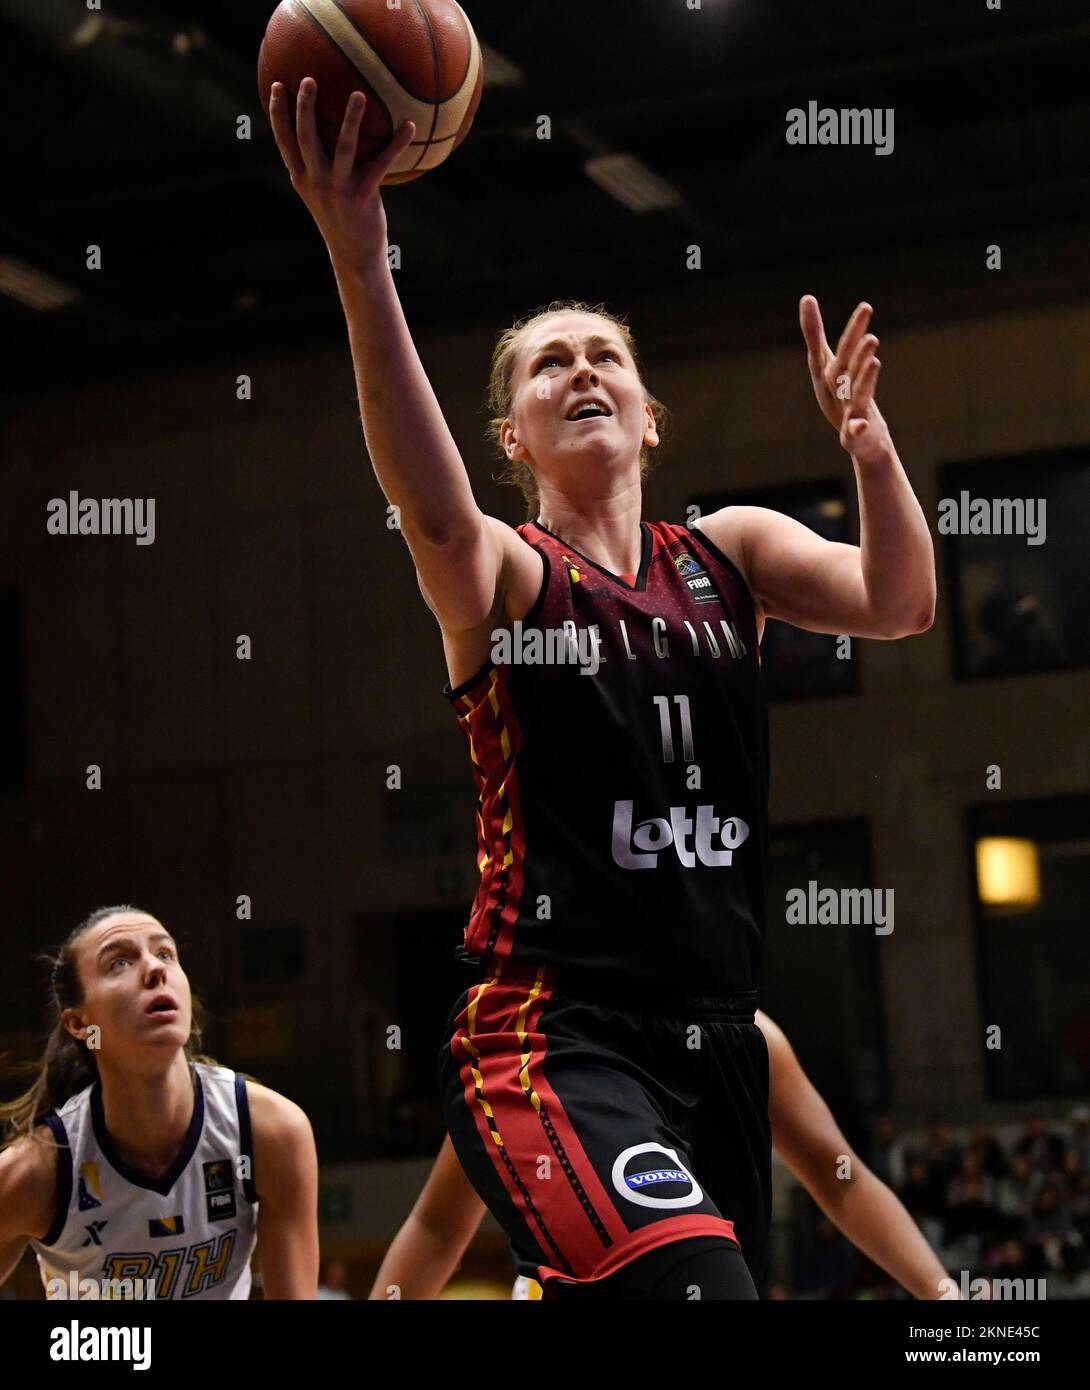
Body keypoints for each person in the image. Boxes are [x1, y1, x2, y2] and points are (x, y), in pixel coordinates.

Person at [267, 78, 935, 1299]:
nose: (580, 371)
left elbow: (899, 604)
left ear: (647, 414)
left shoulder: (728, 551)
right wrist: (364, 263)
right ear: (511, 437)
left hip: (717, 1033)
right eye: (546, 366)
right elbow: (425, 500)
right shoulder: (509, 577)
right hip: (550, 1028)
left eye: (605, 356)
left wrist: (872, 451)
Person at [369, 1011, 957, 1300]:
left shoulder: (748, 1038)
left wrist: (942, 1294)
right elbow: (438, 1222)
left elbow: (843, 1180)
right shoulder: (539, 1052)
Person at [0, 906, 319, 1299]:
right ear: (80, 1024)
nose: (155, 969)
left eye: (165, 953)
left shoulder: (271, 1132)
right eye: (119, 962)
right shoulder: (35, 1173)